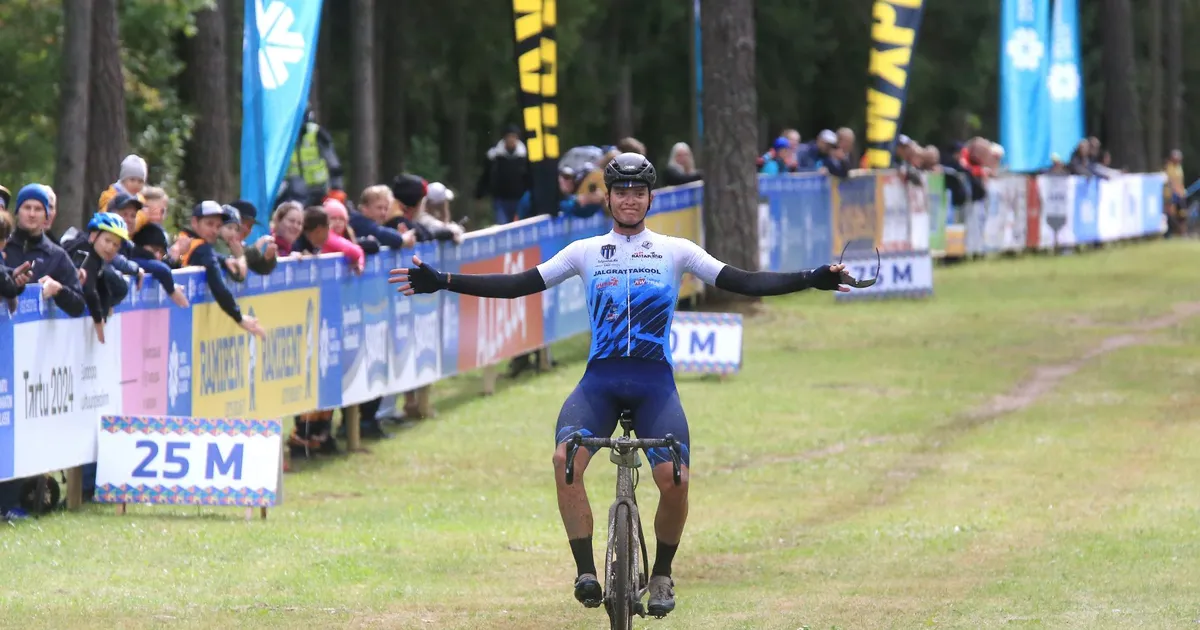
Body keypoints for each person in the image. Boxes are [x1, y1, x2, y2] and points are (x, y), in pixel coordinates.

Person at [388, 153, 860, 616]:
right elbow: (518, 284)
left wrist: (812, 278)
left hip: (655, 383)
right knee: (564, 460)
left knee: (674, 480)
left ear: (651, 199)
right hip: (601, 380)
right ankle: (586, 572)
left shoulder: (676, 250)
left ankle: (662, 574)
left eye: (638, 192)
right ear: (608, 199)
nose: (630, 200)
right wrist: (443, 280)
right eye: (621, 192)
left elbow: (745, 281)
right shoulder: (585, 251)